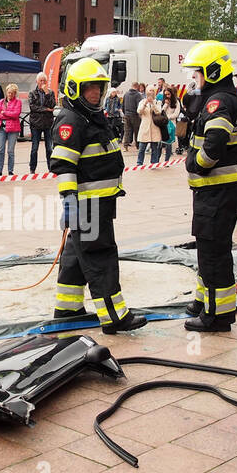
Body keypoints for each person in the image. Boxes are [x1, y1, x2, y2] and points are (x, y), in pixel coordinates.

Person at [50, 58, 145, 334]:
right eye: (89, 88)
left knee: (76, 255)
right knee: (100, 257)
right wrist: (69, 203)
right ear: (75, 90)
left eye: (99, 88)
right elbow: (64, 165)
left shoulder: (90, 115)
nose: (95, 94)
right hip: (88, 205)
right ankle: (114, 317)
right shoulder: (71, 120)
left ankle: (67, 309)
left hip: (100, 202)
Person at [183, 41, 237, 332]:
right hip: (222, 189)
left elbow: (214, 143)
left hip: (216, 188)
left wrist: (197, 164)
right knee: (208, 247)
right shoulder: (228, 98)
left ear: (211, 71)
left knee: (214, 252)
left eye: (197, 74)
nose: (194, 79)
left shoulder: (219, 102)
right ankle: (203, 300)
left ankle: (216, 316)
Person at [27, 72, 56, 173]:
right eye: (41, 81)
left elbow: (52, 105)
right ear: (37, 81)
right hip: (36, 124)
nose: (42, 82)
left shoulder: (50, 92)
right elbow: (32, 107)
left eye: (44, 80)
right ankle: (32, 168)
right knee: (35, 148)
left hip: (48, 124)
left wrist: (47, 93)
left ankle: (51, 168)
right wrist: (46, 109)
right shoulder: (32, 93)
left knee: (49, 148)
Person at [0, 82, 23, 176]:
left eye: (12, 93)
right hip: (2, 128)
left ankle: (10, 170)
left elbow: (16, 114)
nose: (10, 94)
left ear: (15, 93)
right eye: (9, 92)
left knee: (10, 151)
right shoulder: (1, 101)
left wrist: (4, 113)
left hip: (13, 129)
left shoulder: (18, 102)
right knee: (1, 150)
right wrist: (8, 114)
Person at [136, 87, 166, 166]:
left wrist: (152, 103)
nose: (151, 92)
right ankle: (139, 163)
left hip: (154, 127)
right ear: (146, 92)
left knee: (154, 148)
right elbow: (139, 111)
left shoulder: (158, 102)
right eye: (150, 90)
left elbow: (158, 112)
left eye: (153, 90)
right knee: (142, 147)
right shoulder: (142, 101)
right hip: (144, 127)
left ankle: (154, 163)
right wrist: (145, 103)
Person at [122, 82, 142, 149]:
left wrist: (125, 113)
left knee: (127, 131)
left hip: (127, 115)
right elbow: (139, 106)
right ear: (137, 86)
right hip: (135, 115)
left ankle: (125, 146)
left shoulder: (126, 94)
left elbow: (123, 105)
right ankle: (138, 146)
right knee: (137, 131)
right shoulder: (138, 95)